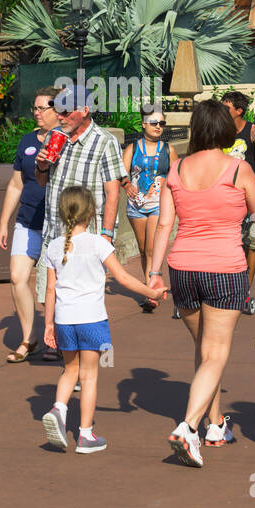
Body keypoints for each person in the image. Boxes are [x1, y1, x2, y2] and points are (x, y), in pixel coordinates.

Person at [149, 100, 255, 467]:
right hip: (224, 268)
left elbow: (163, 225)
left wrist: (154, 272)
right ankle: (189, 426)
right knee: (217, 352)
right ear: (224, 129)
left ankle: (216, 424)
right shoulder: (238, 170)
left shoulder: (176, 169)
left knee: (205, 350)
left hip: (183, 268)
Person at [39, 187, 164, 454]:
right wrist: (151, 292)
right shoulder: (98, 243)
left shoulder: (53, 246)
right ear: (90, 212)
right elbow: (123, 278)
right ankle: (85, 436)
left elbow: (50, 289)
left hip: (64, 319)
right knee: (90, 376)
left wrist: (48, 324)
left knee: (70, 371)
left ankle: (59, 410)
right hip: (91, 319)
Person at [33, 85, 125, 358]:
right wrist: (41, 166)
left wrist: (106, 235)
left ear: (84, 110)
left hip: (86, 237)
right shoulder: (56, 136)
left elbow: (112, 192)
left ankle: (80, 357)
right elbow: (42, 182)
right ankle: (60, 342)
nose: (60, 117)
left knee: (83, 298)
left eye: (65, 112)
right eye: (57, 111)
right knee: (49, 292)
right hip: (54, 233)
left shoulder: (104, 141)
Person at [0, 86, 60, 360]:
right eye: (34, 108)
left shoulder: (67, 141)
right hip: (27, 221)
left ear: (58, 111)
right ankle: (28, 338)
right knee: (17, 277)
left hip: (56, 226)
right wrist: (3, 223)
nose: (36, 113)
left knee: (52, 288)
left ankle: (54, 340)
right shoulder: (26, 141)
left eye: (42, 108)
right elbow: (15, 184)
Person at [122, 109, 178, 308]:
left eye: (161, 124)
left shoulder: (168, 150)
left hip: (158, 204)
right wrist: (126, 185)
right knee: (144, 249)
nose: (158, 127)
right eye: (154, 123)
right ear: (143, 124)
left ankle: (152, 292)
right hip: (136, 205)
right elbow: (122, 172)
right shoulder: (133, 148)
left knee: (153, 249)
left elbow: (177, 175)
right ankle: (149, 285)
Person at [221, 91, 255, 312]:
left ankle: (244, 292)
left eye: (227, 107)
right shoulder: (220, 131)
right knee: (226, 245)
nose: (223, 111)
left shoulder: (253, 130)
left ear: (239, 110)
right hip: (223, 199)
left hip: (248, 198)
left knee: (251, 244)